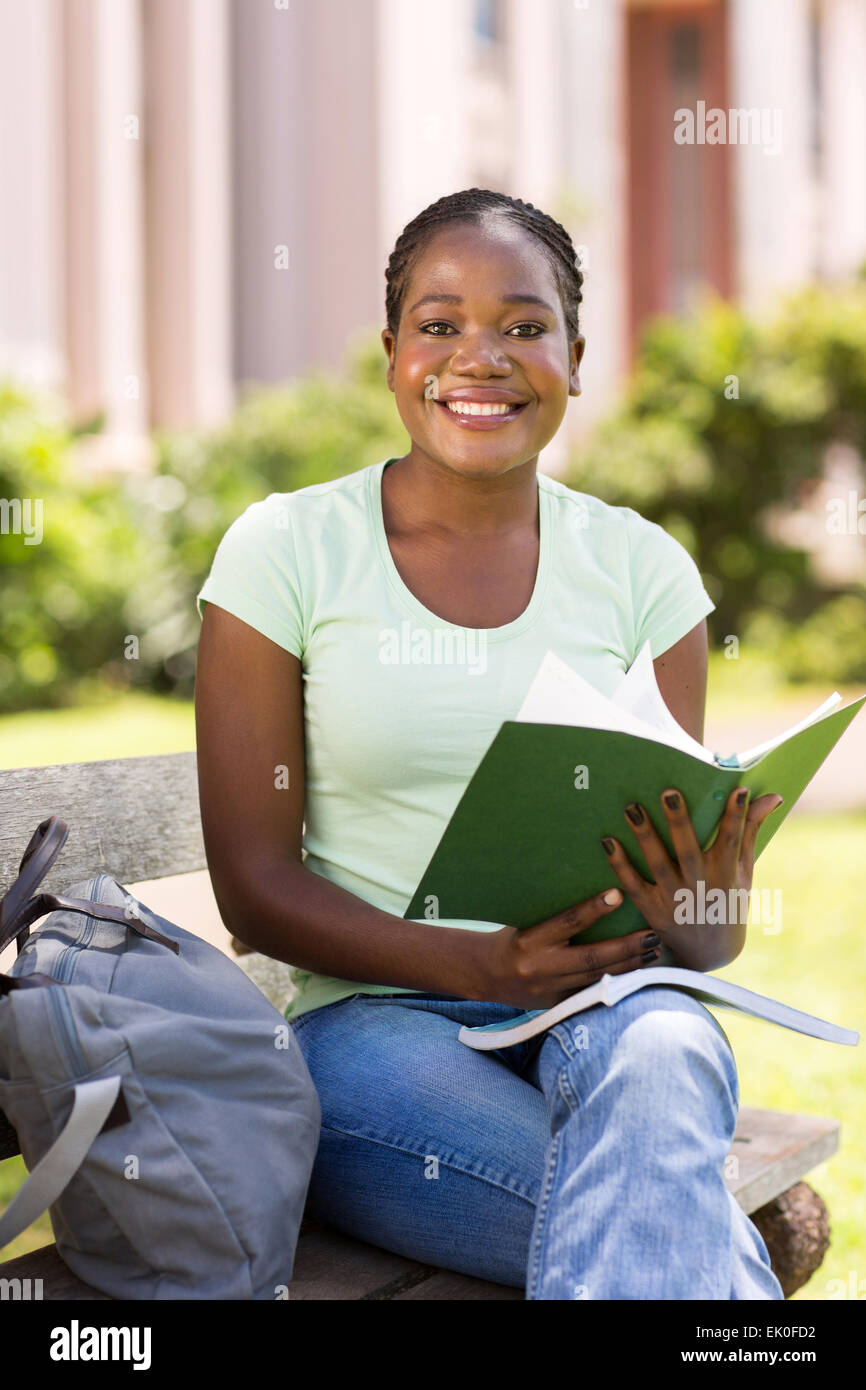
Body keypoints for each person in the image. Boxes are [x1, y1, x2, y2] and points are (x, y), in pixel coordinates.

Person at [194, 188, 784, 1299]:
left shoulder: (641, 571)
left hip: (604, 1005)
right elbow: (255, 886)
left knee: (668, 1045)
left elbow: (687, 946)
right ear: (388, 353)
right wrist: (480, 964)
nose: (481, 358)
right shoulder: (286, 550)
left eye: (522, 326)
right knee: (674, 1234)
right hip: (374, 1029)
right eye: (439, 323)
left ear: (573, 355)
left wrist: (705, 907)